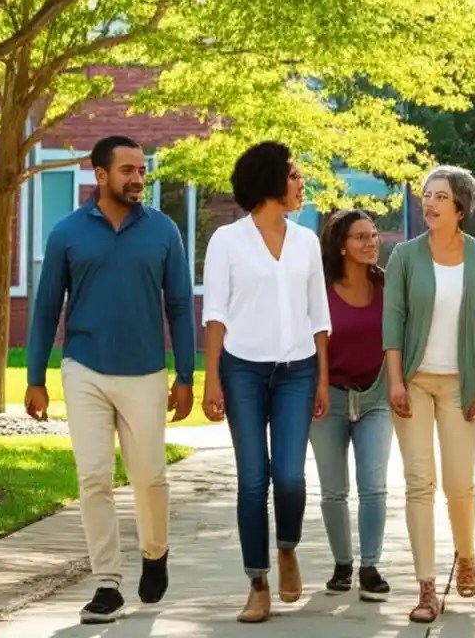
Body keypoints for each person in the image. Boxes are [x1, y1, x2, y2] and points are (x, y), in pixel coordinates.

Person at [25, 135, 195, 625]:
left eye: (141, 170)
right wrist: (35, 377)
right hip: (84, 368)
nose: (138, 178)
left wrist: (185, 375)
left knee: (149, 476)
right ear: (100, 175)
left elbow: (181, 307)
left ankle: (155, 551)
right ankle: (107, 582)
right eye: (127, 170)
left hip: (145, 371)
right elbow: (45, 310)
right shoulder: (67, 233)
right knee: (93, 476)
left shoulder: (164, 232)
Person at [200, 141, 331, 624]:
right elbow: (214, 314)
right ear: (271, 182)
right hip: (242, 371)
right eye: (294, 176)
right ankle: (257, 583)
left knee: (291, 477)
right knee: (253, 480)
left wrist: (322, 377)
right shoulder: (227, 241)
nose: (301, 185)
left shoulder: (307, 241)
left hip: (298, 370)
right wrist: (212, 379)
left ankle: (288, 547)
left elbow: (319, 314)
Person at [383, 165, 475, 624]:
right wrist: (395, 379)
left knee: (458, 482)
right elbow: (392, 321)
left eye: (439, 196)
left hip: (462, 383)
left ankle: (466, 553)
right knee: (419, 485)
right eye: (426, 195)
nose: (428, 203)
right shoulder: (405, 257)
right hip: (413, 380)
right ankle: (427, 586)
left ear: (460, 207)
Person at [308, 209, 392, 601]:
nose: (371, 242)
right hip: (330, 397)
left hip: (375, 396)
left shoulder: (386, 285)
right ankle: (342, 564)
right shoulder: (321, 290)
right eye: (360, 236)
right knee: (333, 490)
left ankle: (370, 566)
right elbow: (312, 341)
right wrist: (319, 387)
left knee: (373, 486)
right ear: (342, 246)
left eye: (373, 235)